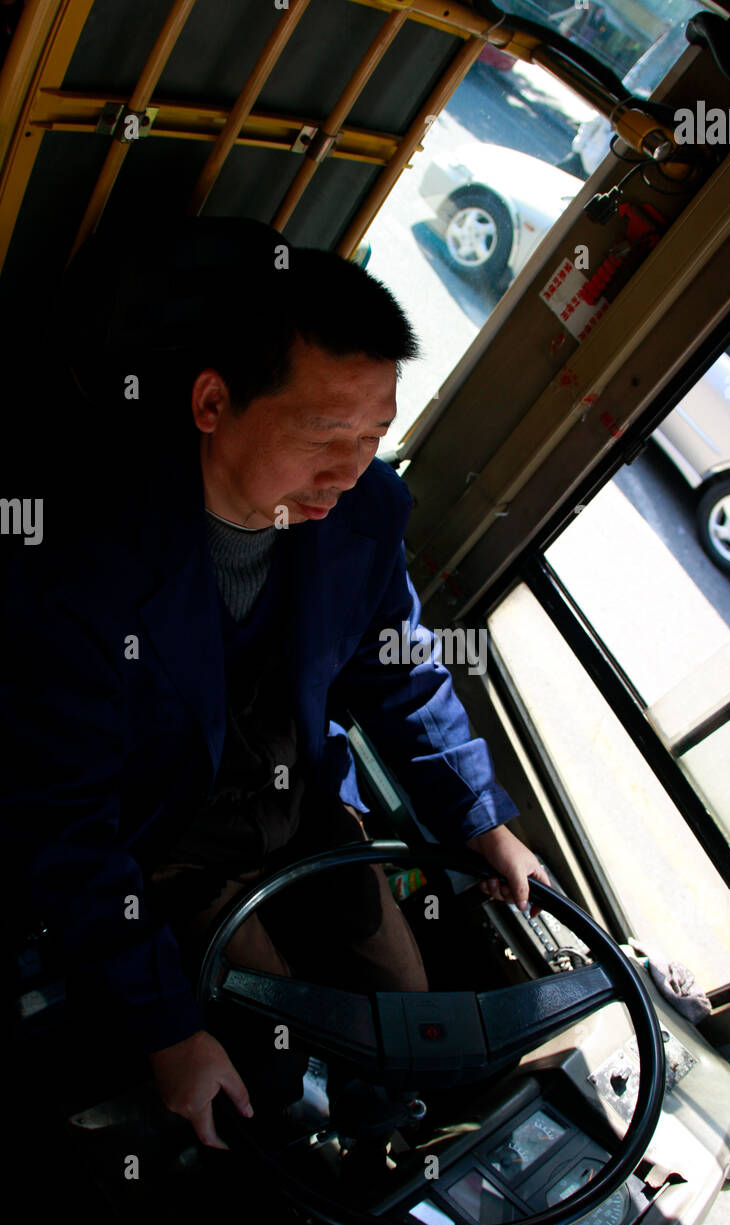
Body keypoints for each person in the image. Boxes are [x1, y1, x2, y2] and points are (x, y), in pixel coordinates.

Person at [0, 218, 549, 1154]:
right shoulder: (78, 569)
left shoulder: (365, 512)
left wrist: (478, 817)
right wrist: (169, 1032)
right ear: (212, 403)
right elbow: (63, 824)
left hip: (302, 814)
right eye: (324, 436)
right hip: (163, 841)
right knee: (269, 1072)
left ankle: (398, 1144)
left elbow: (401, 671)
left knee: (407, 1023)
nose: (349, 470)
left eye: (375, 434)